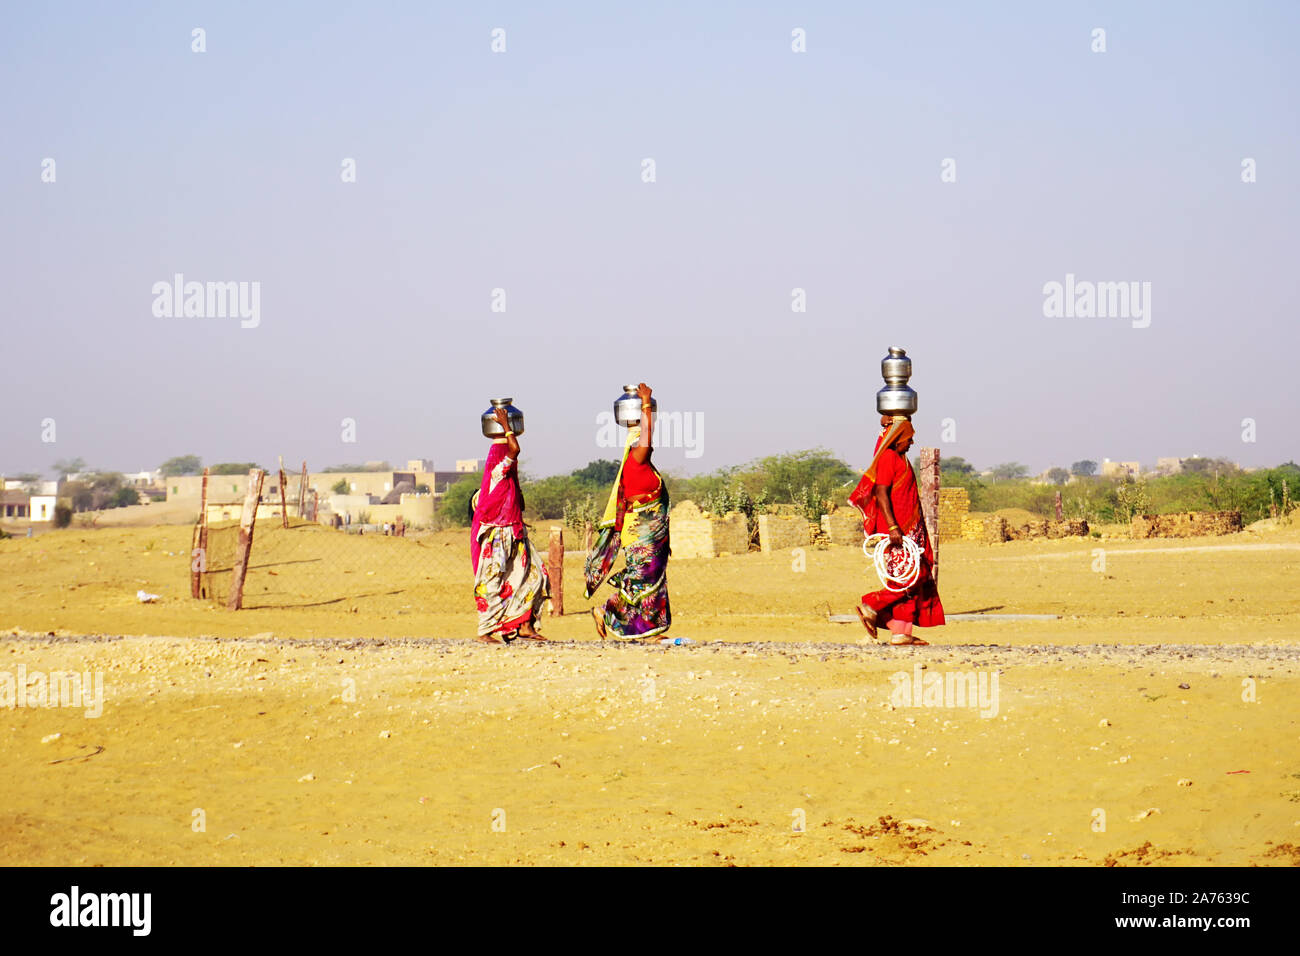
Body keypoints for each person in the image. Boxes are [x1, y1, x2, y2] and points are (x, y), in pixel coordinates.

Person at [584, 383, 671, 641]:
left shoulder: (644, 468)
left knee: (653, 580)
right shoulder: (636, 460)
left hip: (650, 535)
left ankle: (650, 631)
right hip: (640, 534)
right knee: (642, 580)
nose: (649, 447)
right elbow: (646, 437)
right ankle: (606, 610)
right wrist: (646, 403)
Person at [848, 415, 945, 645]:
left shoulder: (901, 459)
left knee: (912, 579)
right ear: (898, 438)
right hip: (898, 532)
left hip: (911, 531)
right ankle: (871, 604)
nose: (911, 443)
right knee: (912, 578)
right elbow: (881, 493)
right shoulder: (888, 458)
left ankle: (901, 632)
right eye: (909, 438)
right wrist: (892, 527)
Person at [470, 407, 549, 644]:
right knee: (491, 580)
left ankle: (525, 624)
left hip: (513, 528)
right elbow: (515, 449)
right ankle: (485, 630)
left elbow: (514, 477)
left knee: (536, 574)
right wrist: (506, 426)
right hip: (496, 530)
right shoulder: (497, 462)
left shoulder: (505, 471)